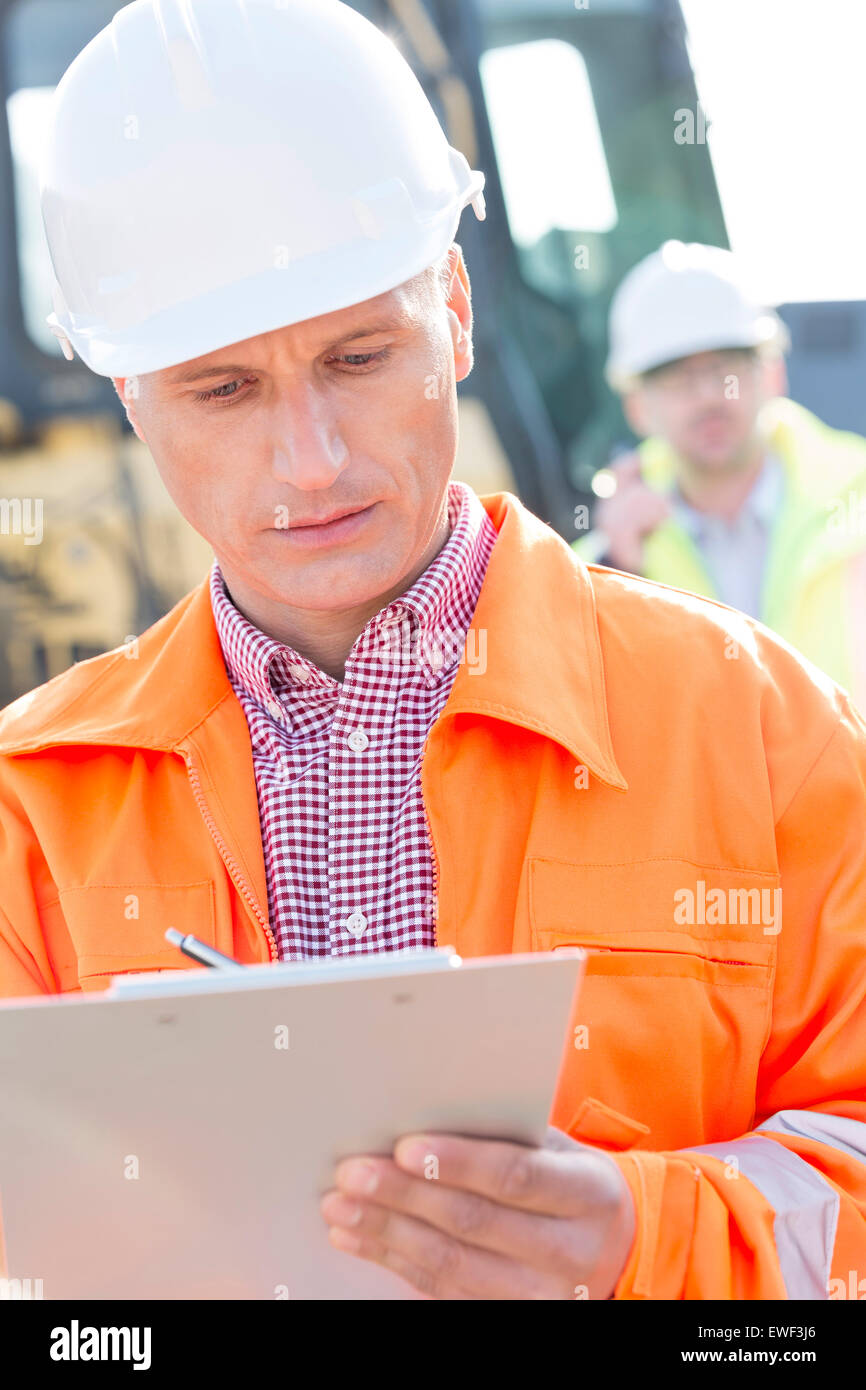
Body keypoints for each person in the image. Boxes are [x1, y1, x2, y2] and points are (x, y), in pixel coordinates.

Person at [0, 0, 864, 1301]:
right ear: (130, 394)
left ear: (452, 310)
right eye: (222, 390)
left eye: (358, 357)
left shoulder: (767, 736)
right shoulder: (30, 807)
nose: (311, 461)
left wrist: (644, 1234)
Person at [574, 240, 866, 708]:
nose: (709, 394)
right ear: (636, 407)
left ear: (773, 375)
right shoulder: (600, 565)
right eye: (676, 375)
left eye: (726, 366)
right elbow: (570, 702)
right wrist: (615, 573)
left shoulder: (857, 503)